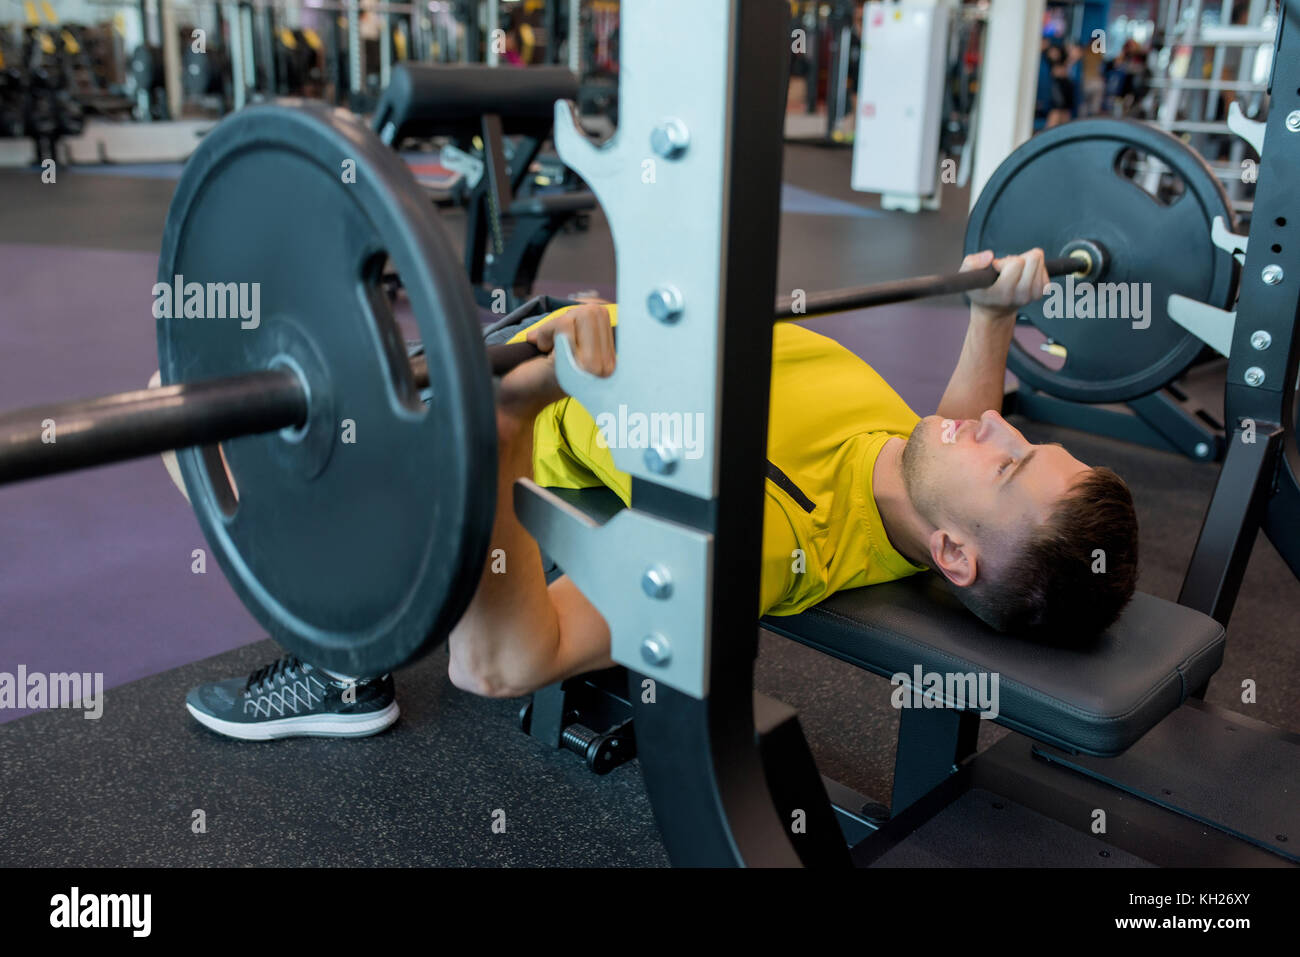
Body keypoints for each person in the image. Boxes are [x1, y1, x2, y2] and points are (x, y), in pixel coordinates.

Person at [183, 248, 1139, 738]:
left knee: (188, 428)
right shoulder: (917, 472)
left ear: (957, 557)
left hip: (491, 407)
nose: (995, 423)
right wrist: (991, 318)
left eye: (1009, 459)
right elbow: (970, 437)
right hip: (567, 327)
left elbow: (503, 664)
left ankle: (346, 660)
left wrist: (504, 424)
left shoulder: (760, 543)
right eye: (1027, 437)